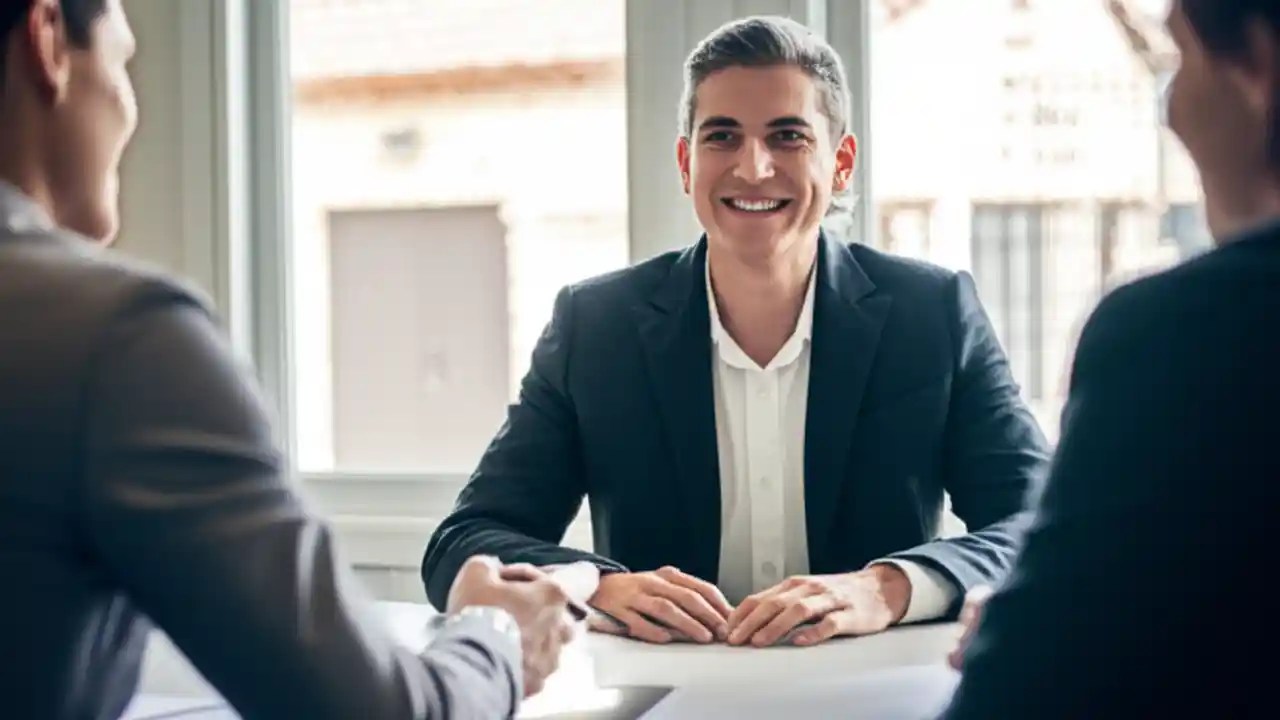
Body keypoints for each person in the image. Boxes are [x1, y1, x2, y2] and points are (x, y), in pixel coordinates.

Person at [0, 1, 577, 718]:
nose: (130, 109)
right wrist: (495, 634)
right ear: (49, 40)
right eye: (122, 63)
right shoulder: (117, 338)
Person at [423, 15, 1050, 649]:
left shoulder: (934, 313)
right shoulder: (596, 327)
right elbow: (463, 541)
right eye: (722, 136)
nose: (753, 168)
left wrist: (886, 588)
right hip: (666, 696)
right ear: (685, 162)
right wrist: (600, 587)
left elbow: (1038, 524)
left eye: (787, 137)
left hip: (873, 694)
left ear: (840, 163)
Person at [941, 0, 1280, 716]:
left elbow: (1018, 699)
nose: (1172, 112)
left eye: (1182, 61)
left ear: (1256, 63)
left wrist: (1045, 631)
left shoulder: (1182, 336)